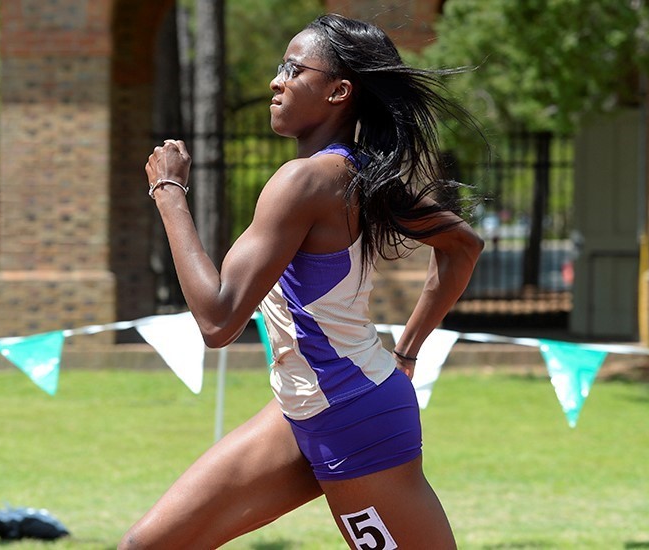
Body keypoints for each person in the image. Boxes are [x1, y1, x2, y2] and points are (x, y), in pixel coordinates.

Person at [120, 13, 483, 550]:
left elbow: (217, 321)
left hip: (355, 420)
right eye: (280, 67)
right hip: (301, 411)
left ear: (339, 91)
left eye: (294, 68)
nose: (276, 80)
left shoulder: (307, 180)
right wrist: (405, 353)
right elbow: (463, 246)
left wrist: (170, 192)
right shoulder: (357, 172)